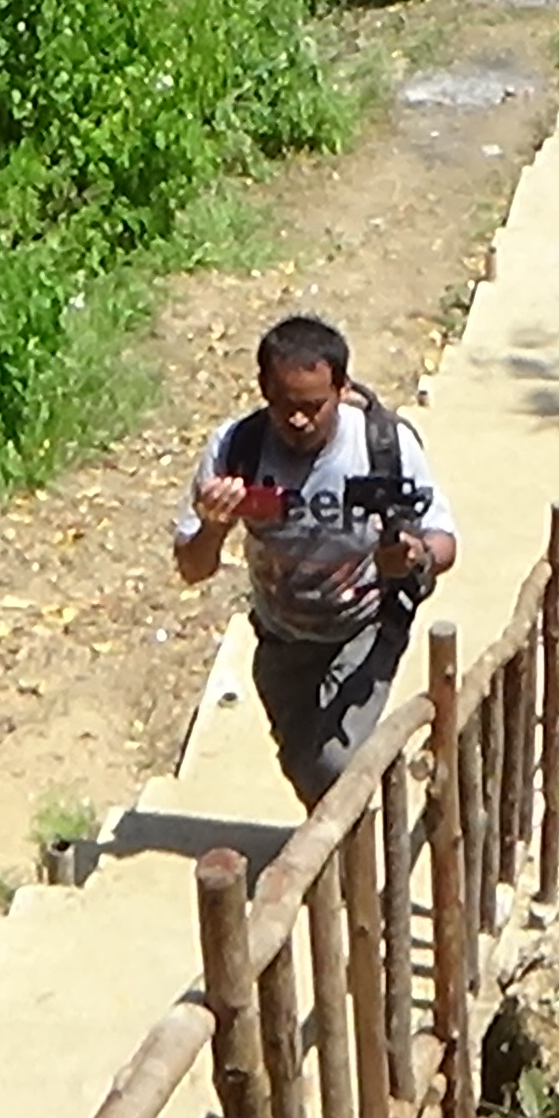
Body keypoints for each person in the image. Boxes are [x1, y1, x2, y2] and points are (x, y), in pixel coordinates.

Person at [172, 315, 458, 804]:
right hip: (282, 635)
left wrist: (416, 557)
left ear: (342, 390)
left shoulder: (382, 446)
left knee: (333, 763)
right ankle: (345, 854)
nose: (299, 421)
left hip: (368, 626)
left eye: (313, 406)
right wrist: (216, 524)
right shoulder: (235, 449)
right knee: (304, 763)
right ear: (263, 389)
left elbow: (444, 537)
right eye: (285, 406)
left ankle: (356, 861)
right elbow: (192, 569)